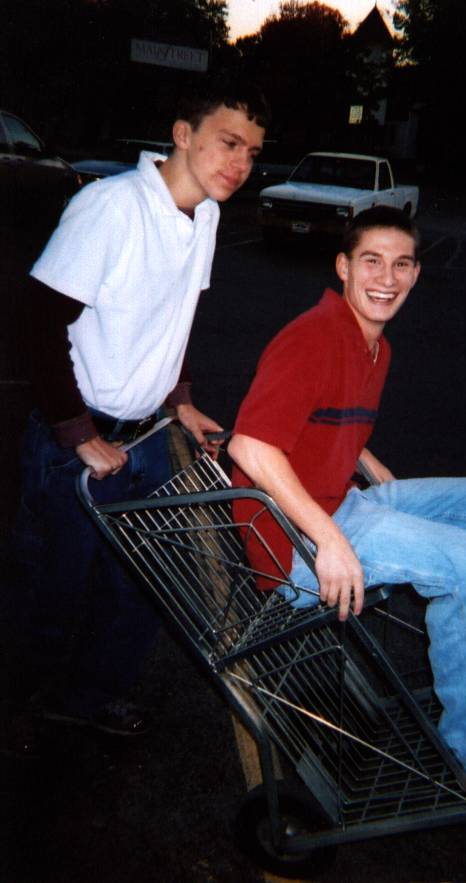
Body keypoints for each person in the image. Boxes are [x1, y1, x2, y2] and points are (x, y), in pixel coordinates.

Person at [228, 206, 466, 812]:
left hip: (342, 501)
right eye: (371, 261)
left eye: (401, 264)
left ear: (415, 274)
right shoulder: (314, 335)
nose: (386, 277)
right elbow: (250, 446)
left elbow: (321, 412)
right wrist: (328, 542)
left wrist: (363, 455)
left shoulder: (372, 344)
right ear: (343, 267)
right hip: (296, 541)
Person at [13, 74, 268, 741]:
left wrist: (179, 398)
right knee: (51, 586)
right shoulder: (111, 207)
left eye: (251, 152)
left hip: (150, 437)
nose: (239, 164)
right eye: (227, 143)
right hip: (79, 436)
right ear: (183, 136)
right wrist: (77, 433)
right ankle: (17, 705)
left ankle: (90, 696)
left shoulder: (206, 212)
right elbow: (40, 321)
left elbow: (176, 315)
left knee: (145, 582)